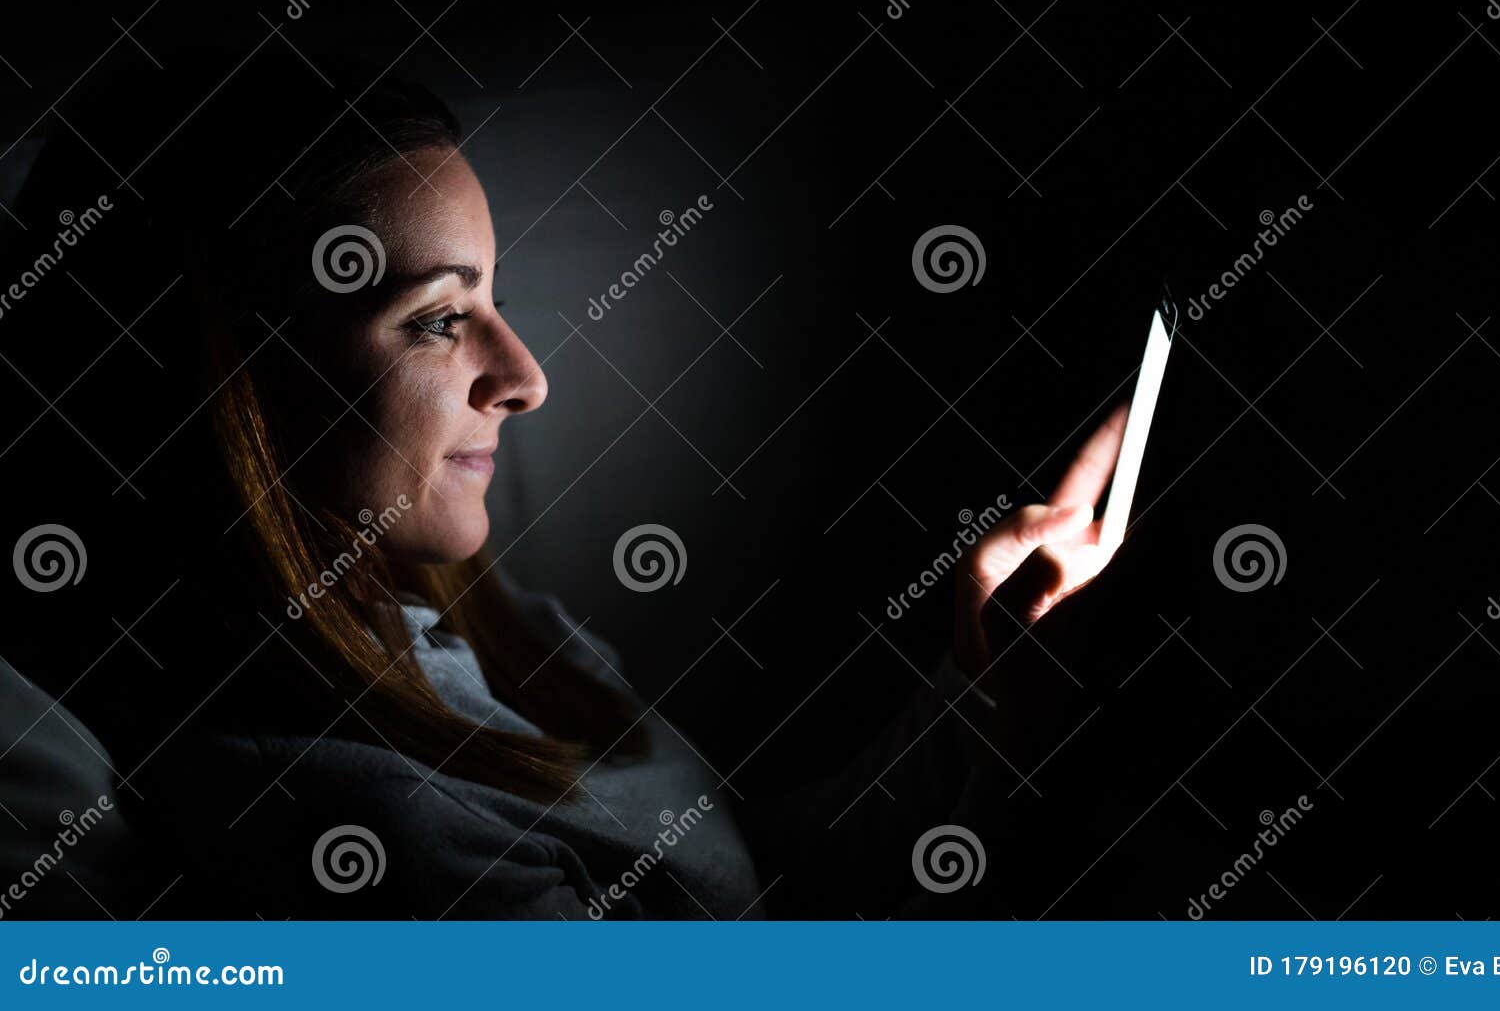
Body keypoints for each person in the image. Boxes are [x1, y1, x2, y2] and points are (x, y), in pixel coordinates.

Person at [0, 51, 1127, 918]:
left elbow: (748, 893)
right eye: (440, 320)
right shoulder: (363, 825)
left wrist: (984, 689)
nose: (525, 377)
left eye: (495, 298)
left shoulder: (493, 636)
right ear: (228, 379)